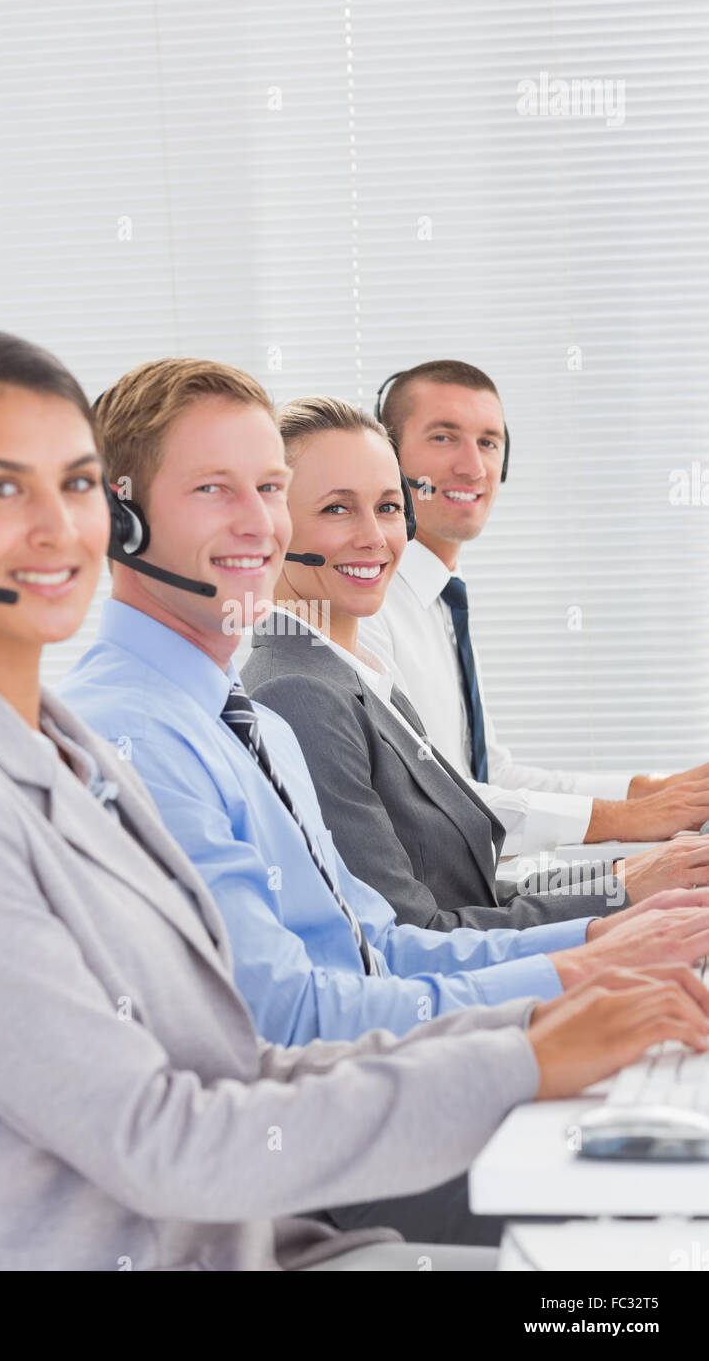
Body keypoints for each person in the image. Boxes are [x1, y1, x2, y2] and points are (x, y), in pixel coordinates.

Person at [0, 329, 663, 1273]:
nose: (58, 527)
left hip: (266, 1237)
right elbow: (163, 1134)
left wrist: (552, 1013)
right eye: (0, 487)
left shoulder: (54, 748)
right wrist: (527, 1049)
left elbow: (238, 1054)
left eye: (74, 485)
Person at [57, 354, 709, 1243]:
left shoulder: (249, 723)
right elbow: (281, 1023)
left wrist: (593, 946)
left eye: (270, 489)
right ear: (115, 519)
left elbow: (380, 952)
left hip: (381, 1092)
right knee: (673, 1211)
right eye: (215, 489)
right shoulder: (130, 737)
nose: (259, 524)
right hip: (314, 1165)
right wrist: (556, 995)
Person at [240, 396, 709, 927]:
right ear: (270, 528)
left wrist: (632, 877)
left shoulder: (358, 670)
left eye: (389, 507)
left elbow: (467, 884)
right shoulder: (297, 694)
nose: (374, 537)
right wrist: (618, 893)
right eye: (336, 508)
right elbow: (412, 938)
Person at [360, 360, 709, 854]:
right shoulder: (368, 606)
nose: (473, 466)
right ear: (389, 460)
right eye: (444, 437)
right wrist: (630, 817)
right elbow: (431, 803)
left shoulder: (442, 601)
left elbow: (491, 773)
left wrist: (653, 791)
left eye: (489, 442)